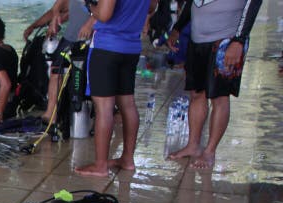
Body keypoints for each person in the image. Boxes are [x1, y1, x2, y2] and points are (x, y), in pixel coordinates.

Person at [167, 0, 262, 169]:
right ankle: (193, 145)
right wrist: (178, 28)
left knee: (219, 97)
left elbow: (253, 4)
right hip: (197, 40)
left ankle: (210, 151)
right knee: (196, 93)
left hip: (226, 41)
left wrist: (239, 40)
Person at [74, 0, 159, 178]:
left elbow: (104, 15)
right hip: (131, 47)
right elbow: (151, 7)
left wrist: (89, 4)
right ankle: (127, 159)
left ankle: (101, 165)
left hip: (107, 46)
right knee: (127, 103)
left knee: (104, 108)